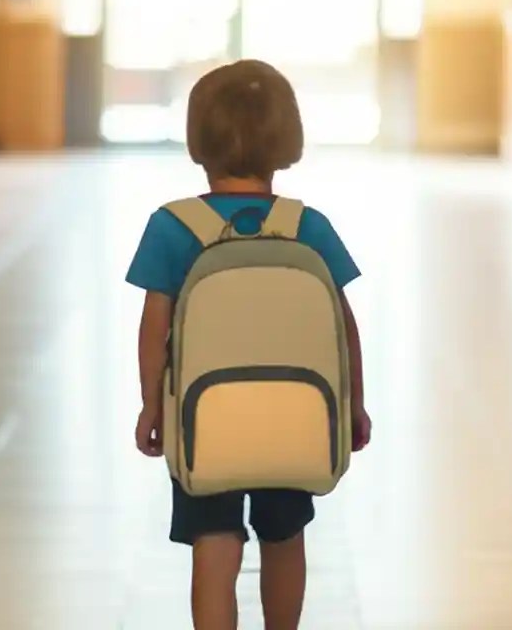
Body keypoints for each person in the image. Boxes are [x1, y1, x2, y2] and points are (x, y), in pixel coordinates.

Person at [125, 59, 370, 630]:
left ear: (197, 141)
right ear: (288, 139)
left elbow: (153, 328)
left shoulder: (171, 227)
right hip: (296, 415)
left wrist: (151, 404)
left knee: (213, 541)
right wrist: (351, 405)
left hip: (204, 420)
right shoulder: (307, 225)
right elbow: (344, 327)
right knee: (285, 535)